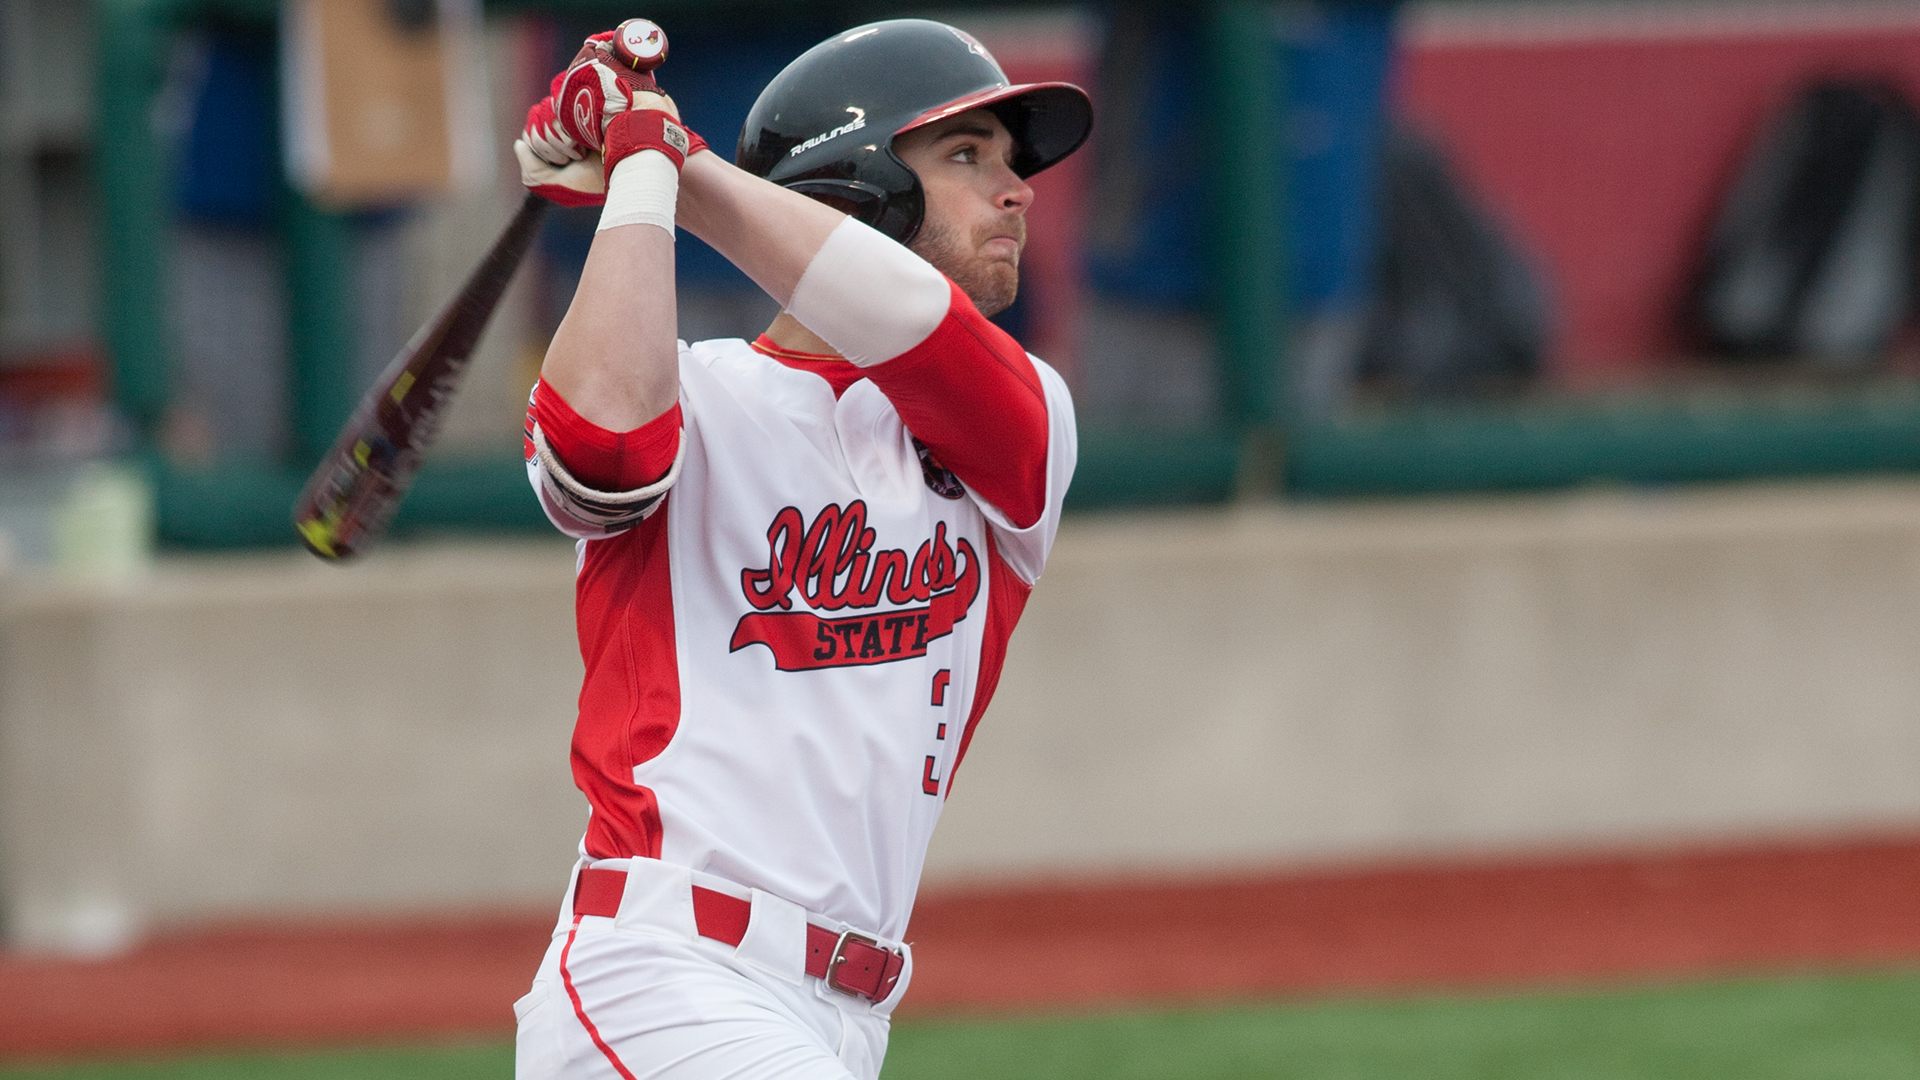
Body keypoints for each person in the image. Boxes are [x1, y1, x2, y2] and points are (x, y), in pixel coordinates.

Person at [508, 18, 1091, 1080]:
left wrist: (671, 158)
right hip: (663, 974)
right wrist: (643, 184)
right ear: (859, 188)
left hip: (843, 1015)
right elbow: (599, 453)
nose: (1019, 190)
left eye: (1011, 165)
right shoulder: (702, 395)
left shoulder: (1024, 422)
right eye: (967, 158)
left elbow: (911, 321)